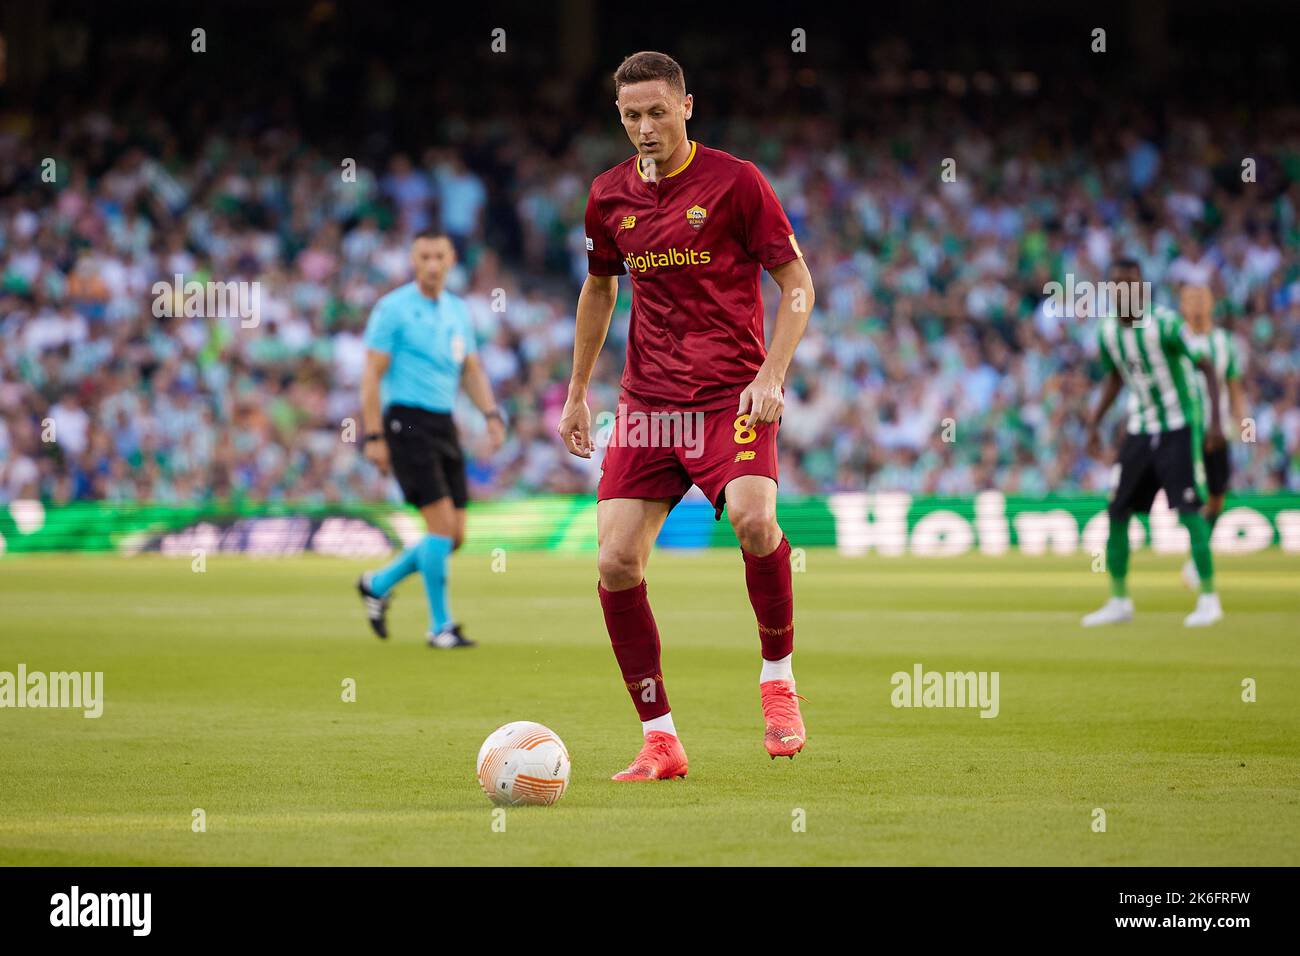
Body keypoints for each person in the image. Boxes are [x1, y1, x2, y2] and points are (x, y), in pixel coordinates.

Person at [557, 52, 817, 780]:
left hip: (731, 393)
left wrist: (773, 374)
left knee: (755, 522)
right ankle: (661, 739)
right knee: (613, 562)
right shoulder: (607, 196)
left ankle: (778, 681)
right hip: (647, 402)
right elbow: (599, 291)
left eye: (657, 113)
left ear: (687, 107)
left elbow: (797, 284)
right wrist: (577, 392)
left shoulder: (737, 183)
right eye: (632, 116)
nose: (645, 128)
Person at [356, 230, 505, 647]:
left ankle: (378, 583)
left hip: (444, 422)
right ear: (413, 259)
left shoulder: (458, 310)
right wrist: (373, 435)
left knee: (455, 534)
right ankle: (440, 626)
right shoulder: (393, 309)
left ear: (452, 258)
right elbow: (371, 375)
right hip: (405, 422)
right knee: (440, 526)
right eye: (425, 256)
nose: (433, 264)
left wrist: (491, 413)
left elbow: (471, 370)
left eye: (440, 256)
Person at [1082, 261, 1225, 628]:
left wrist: (1213, 423)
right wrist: (1095, 422)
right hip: (1140, 428)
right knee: (1116, 510)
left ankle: (1209, 598)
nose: (1121, 291)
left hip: (1178, 427)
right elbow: (1116, 377)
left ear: (1141, 289)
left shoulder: (1165, 324)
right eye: (1115, 285)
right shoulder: (1108, 331)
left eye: (1128, 284)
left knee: (1189, 509)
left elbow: (1206, 365)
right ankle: (1119, 601)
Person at [1178, 284, 1247, 588]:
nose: (1195, 304)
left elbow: (1234, 386)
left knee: (1218, 498)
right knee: (1191, 498)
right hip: (1183, 431)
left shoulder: (1223, 342)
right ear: (1181, 305)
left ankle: (1196, 558)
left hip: (1218, 431)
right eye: (1189, 299)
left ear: (1211, 303)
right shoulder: (1174, 338)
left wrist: (1244, 426)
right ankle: (1199, 559)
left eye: (1201, 298)